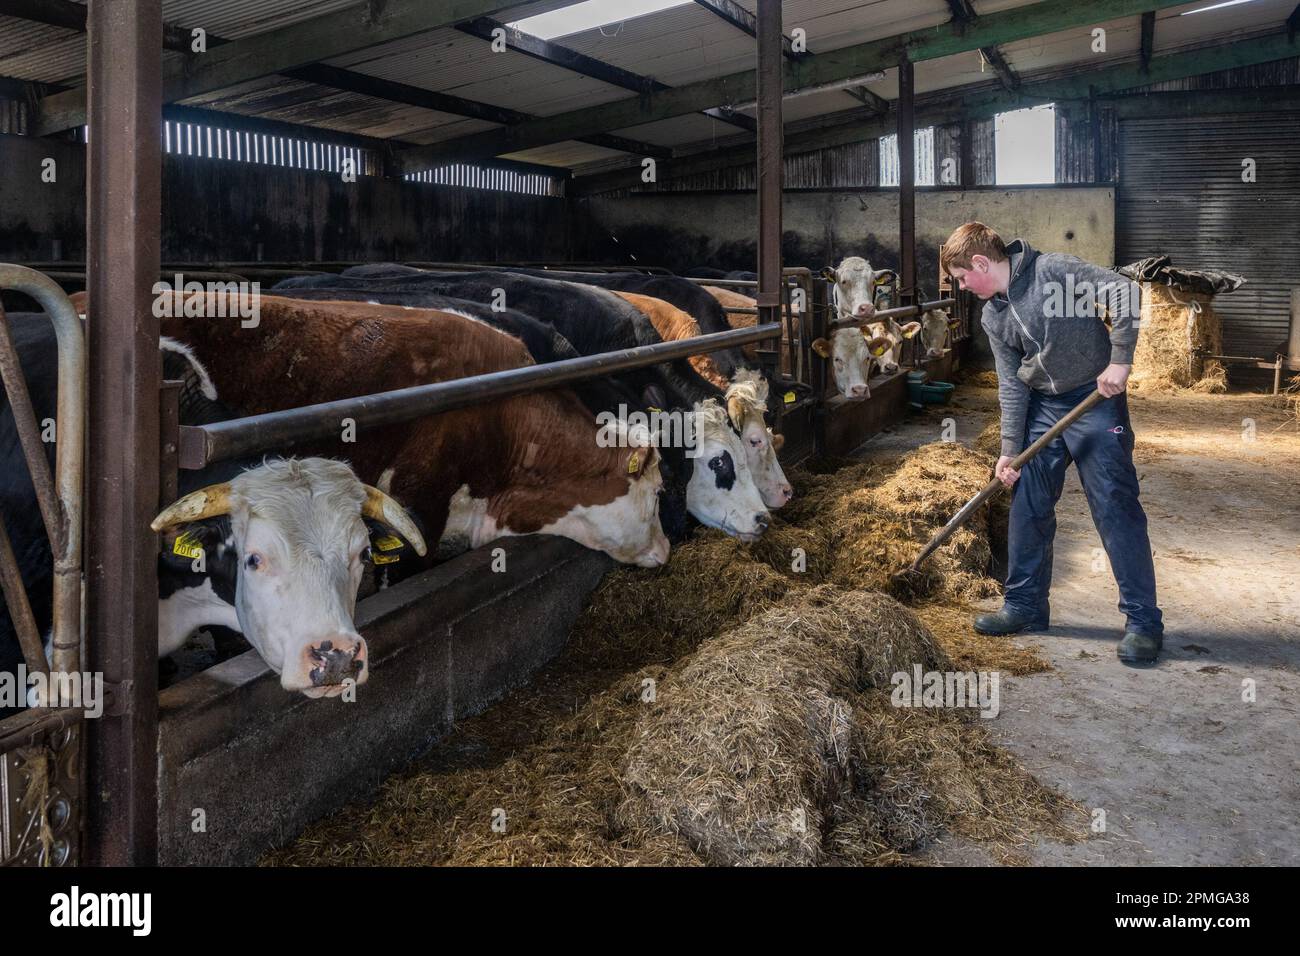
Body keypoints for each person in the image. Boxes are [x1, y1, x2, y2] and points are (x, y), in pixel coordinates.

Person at [940, 222, 1164, 664]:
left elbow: (1126, 293)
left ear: (981, 263)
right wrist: (1009, 449)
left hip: (1095, 399)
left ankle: (1143, 622)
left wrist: (1120, 360)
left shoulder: (1055, 270)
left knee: (1115, 504)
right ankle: (1025, 607)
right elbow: (1010, 384)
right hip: (1043, 406)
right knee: (1028, 503)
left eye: (963, 278)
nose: (963, 287)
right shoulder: (993, 315)